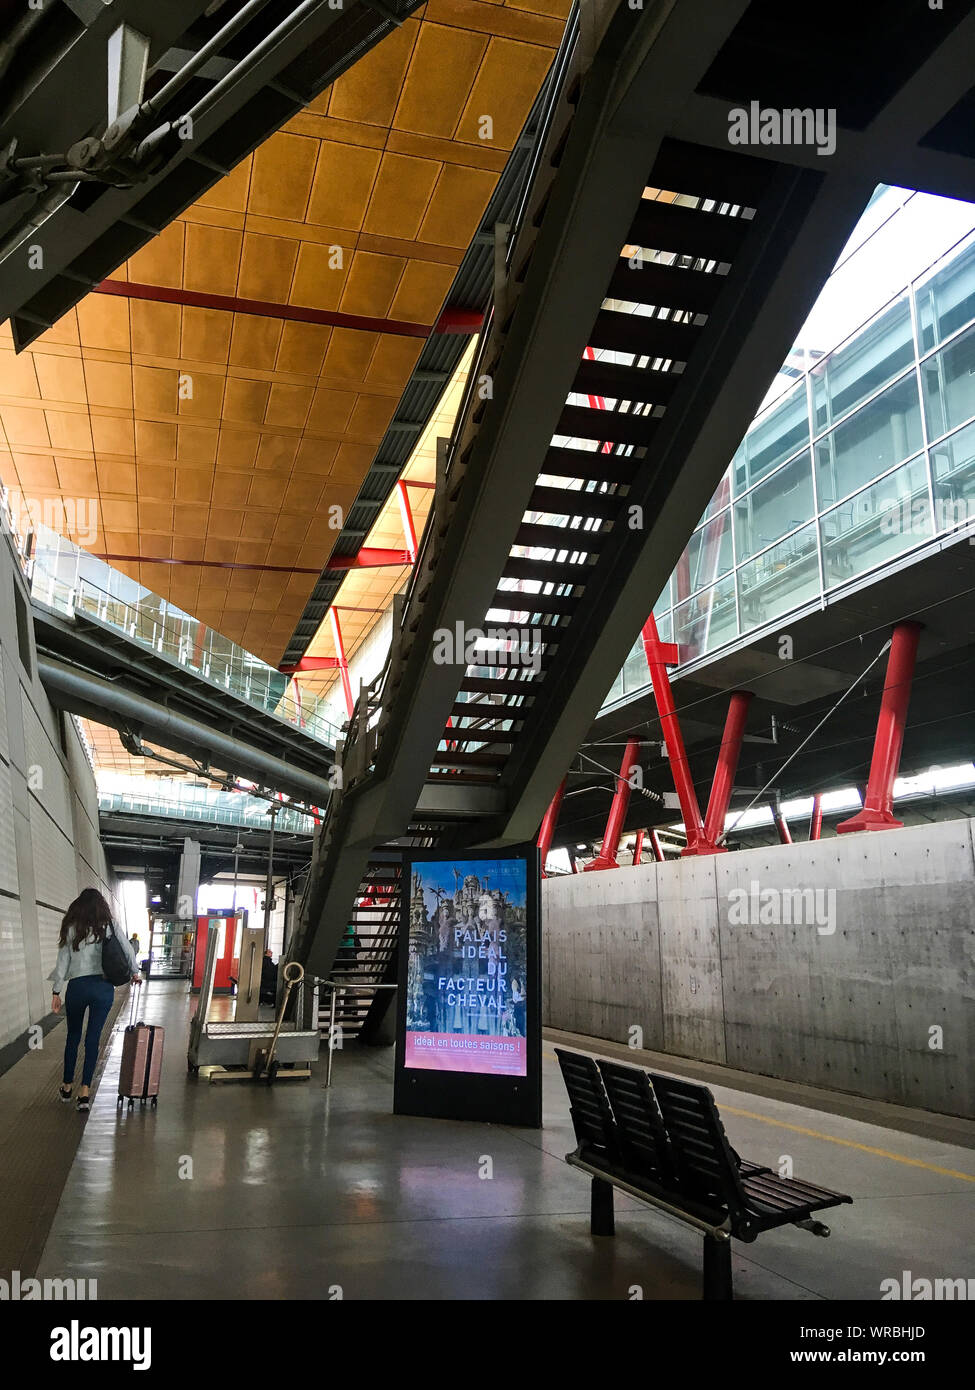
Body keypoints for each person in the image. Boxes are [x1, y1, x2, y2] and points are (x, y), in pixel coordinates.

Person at [49, 888, 141, 1113]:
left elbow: (62, 963)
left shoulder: (71, 928)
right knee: (92, 1039)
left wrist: (56, 992)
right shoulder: (108, 925)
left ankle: (67, 1086)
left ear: (78, 906)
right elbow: (128, 950)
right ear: (101, 906)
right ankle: (84, 1092)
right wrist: (135, 972)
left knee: (73, 1036)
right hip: (102, 987)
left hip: (77, 988)